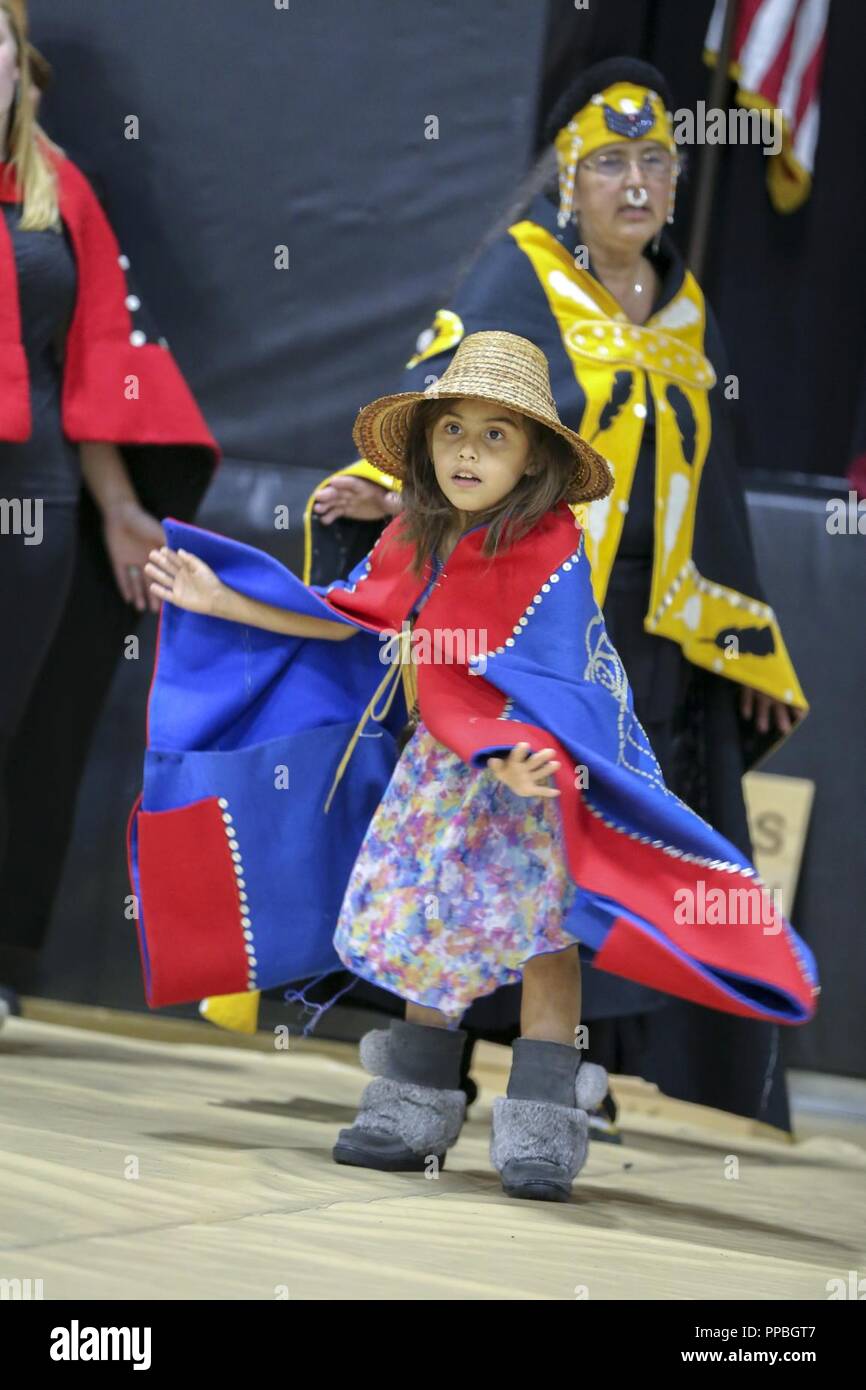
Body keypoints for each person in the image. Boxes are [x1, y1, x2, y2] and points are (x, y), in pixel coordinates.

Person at [139, 331, 817, 1202]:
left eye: (496, 435)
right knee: (430, 927)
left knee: (546, 943)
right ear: (425, 444)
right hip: (448, 775)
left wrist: (517, 753)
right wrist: (222, 599)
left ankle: (541, 1124)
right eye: (452, 429)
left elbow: (554, 673)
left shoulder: (549, 547)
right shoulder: (419, 534)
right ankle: (413, 1105)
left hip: (538, 772)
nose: (468, 449)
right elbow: (356, 621)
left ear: (533, 457)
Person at [300, 57, 809, 1132]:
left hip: (636, 632)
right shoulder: (517, 278)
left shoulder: (688, 312)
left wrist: (746, 645)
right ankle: (430, 1071)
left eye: (656, 163)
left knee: (590, 847)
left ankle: (562, 1073)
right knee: (481, 834)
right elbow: (451, 407)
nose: (635, 184)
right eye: (609, 162)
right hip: (512, 623)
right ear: (566, 182)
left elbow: (707, 487)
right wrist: (386, 492)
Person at [0, 0, 218, 1026]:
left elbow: (92, 362)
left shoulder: (58, 187)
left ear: (20, 65)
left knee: (9, 727)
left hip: (32, 503)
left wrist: (124, 508)